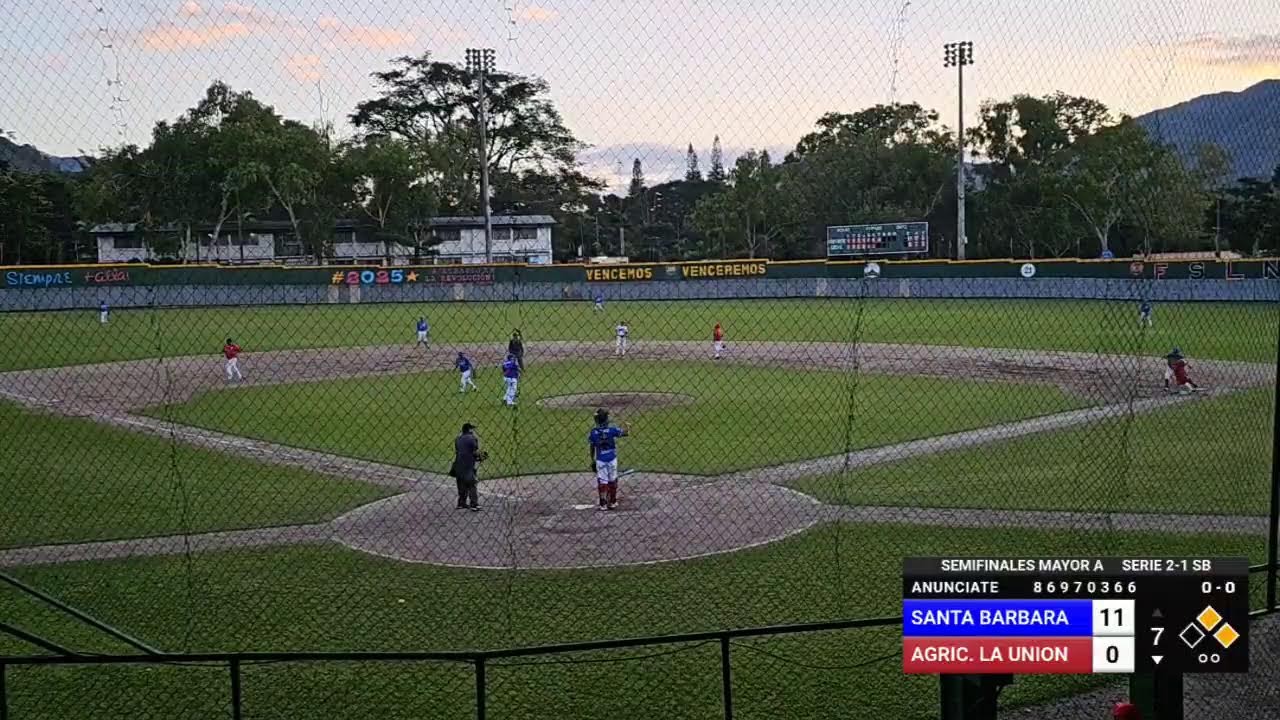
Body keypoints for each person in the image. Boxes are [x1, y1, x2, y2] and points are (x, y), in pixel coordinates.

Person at [589, 408, 629, 510]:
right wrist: (627, 426)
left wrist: (592, 459)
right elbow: (625, 433)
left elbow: (592, 447)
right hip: (612, 460)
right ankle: (612, 501)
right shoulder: (612, 430)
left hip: (600, 460)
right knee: (613, 480)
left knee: (602, 481)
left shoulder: (593, 433)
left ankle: (603, 503)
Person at [449, 423, 486, 511]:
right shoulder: (472, 439)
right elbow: (474, 452)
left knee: (461, 484)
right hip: (468, 465)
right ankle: (474, 504)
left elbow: (462, 451)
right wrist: (481, 457)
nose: (474, 431)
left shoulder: (458, 439)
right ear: (469, 430)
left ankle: (461, 503)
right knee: (471, 484)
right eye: (472, 429)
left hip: (458, 464)